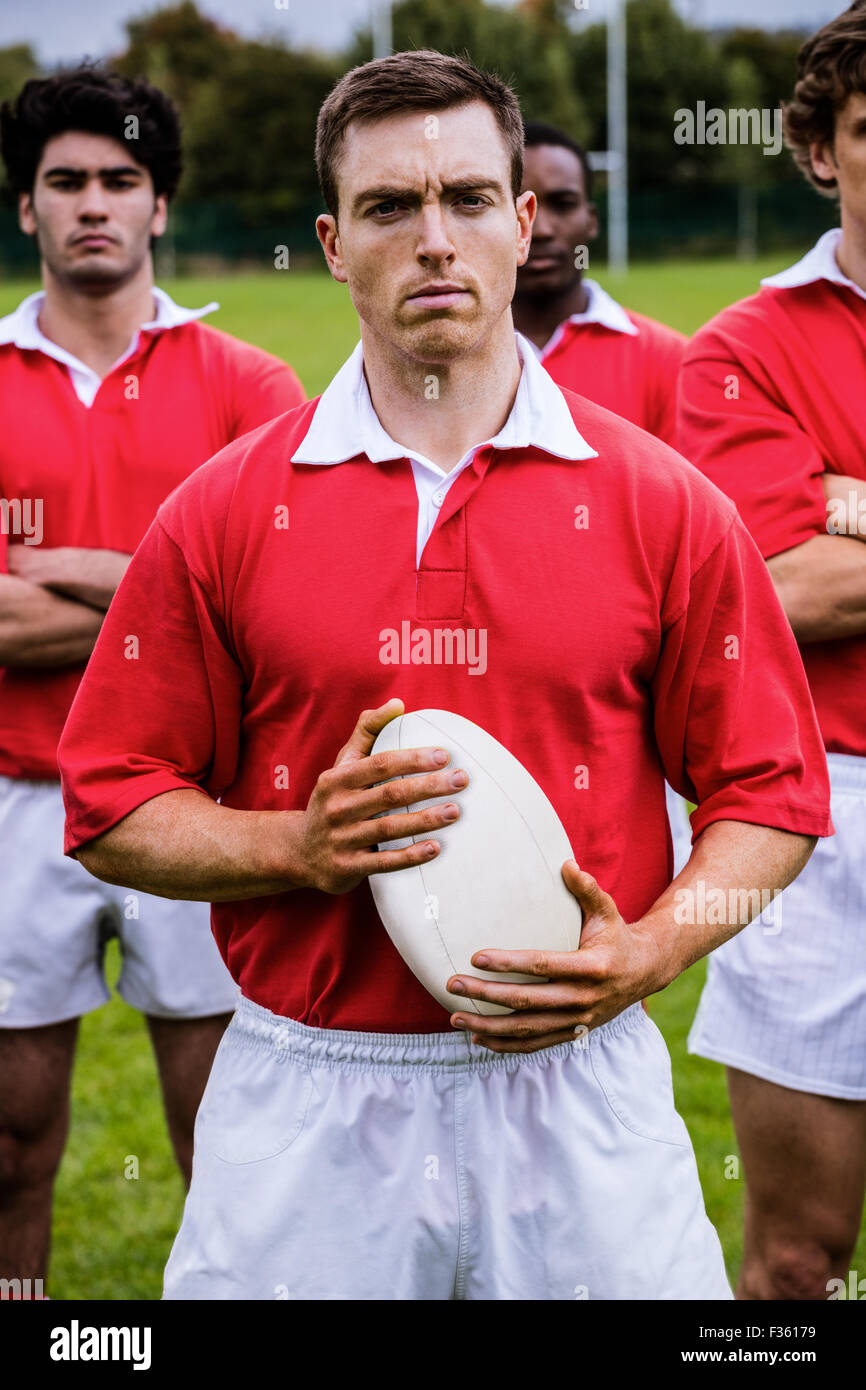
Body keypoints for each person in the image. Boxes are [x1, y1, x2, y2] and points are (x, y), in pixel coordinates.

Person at [58, 50, 830, 1301]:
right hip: (311, 1100)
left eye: (468, 198)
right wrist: (291, 846)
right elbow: (108, 798)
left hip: (581, 1096)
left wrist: (647, 951)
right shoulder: (225, 511)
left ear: (524, 225)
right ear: (327, 241)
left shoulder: (660, 502)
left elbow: (773, 798)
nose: (433, 238)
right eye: (386, 206)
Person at [0, 65, 305, 1295]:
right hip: (15, 798)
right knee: (11, 1144)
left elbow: (272, 611)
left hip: (194, 803)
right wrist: (159, 588)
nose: (92, 205)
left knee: (225, 1138)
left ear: (160, 205)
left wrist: (64, 571)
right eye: (64, 181)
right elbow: (196, 605)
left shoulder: (248, 386)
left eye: (119, 180)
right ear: (25, 207)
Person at [677, 2, 866, 1301]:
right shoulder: (740, 349)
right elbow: (783, 594)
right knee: (796, 1258)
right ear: (817, 151)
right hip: (821, 817)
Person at [512, 119, 693, 875]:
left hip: (612, 708)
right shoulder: (435, 365)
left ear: (591, 216)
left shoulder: (668, 360)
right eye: (530, 203)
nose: (548, 226)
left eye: (566, 203)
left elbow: (692, 551)